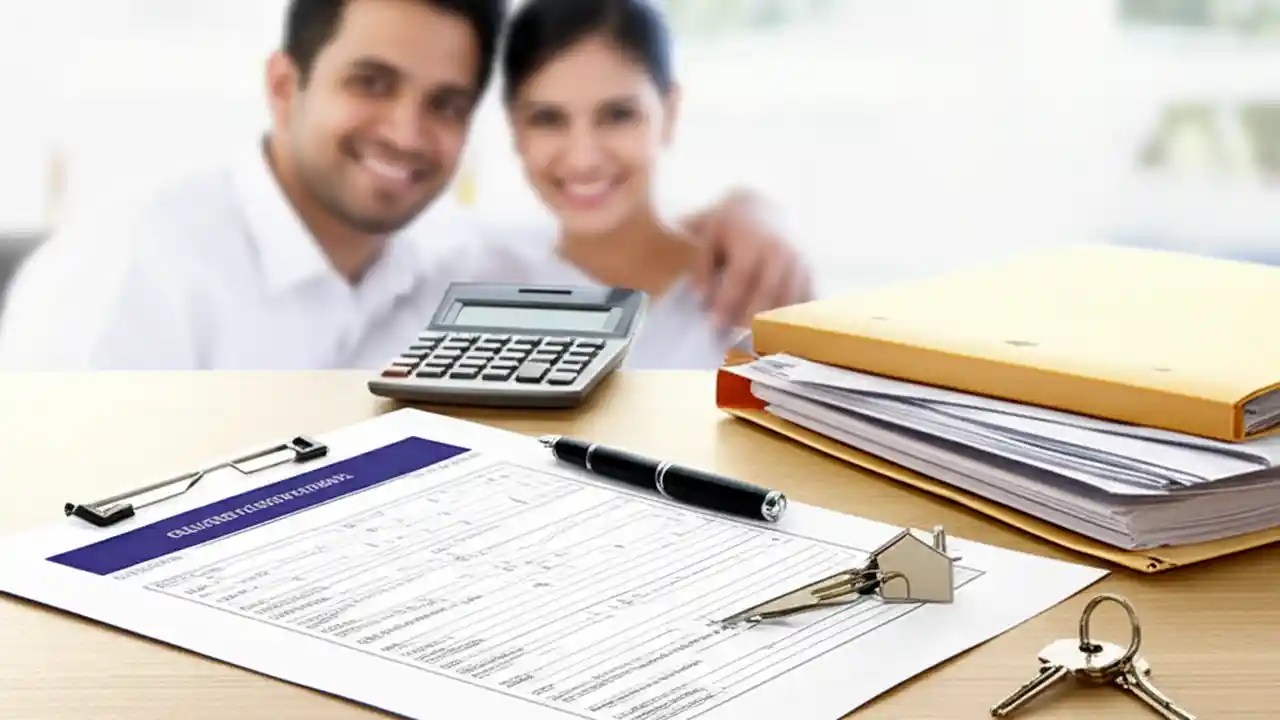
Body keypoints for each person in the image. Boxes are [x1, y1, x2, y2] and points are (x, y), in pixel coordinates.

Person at [0, 0, 810, 371]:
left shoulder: (446, 263)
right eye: (372, 82)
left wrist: (751, 211)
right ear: (285, 85)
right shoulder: (132, 264)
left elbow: (609, 254)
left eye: (445, 104)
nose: (406, 133)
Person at [490, 0, 768, 368]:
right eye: (547, 118)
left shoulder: (753, 292)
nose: (583, 159)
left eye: (618, 115)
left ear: (669, 113)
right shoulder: (482, 283)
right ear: (514, 130)